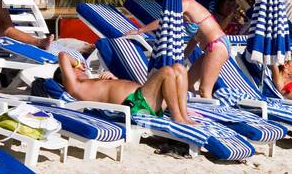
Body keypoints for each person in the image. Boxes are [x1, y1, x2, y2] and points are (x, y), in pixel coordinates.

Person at [56, 51, 195, 125]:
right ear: (65, 76)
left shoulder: (94, 81)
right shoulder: (75, 86)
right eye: (73, 69)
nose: (79, 70)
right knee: (167, 72)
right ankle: (177, 118)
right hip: (136, 106)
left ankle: (184, 115)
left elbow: (117, 89)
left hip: (145, 100)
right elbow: (63, 55)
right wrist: (78, 64)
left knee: (179, 68)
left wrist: (114, 79)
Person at [134, 0, 229, 99]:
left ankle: (213, 114)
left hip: (216, 46)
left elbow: (165, 21)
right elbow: (195, 39)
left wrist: (140, 30)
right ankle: (191, 107)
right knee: (187, 85)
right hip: (212, 48)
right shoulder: (186, 13)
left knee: (204, 90)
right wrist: (182, 58)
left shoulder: (187, 3)